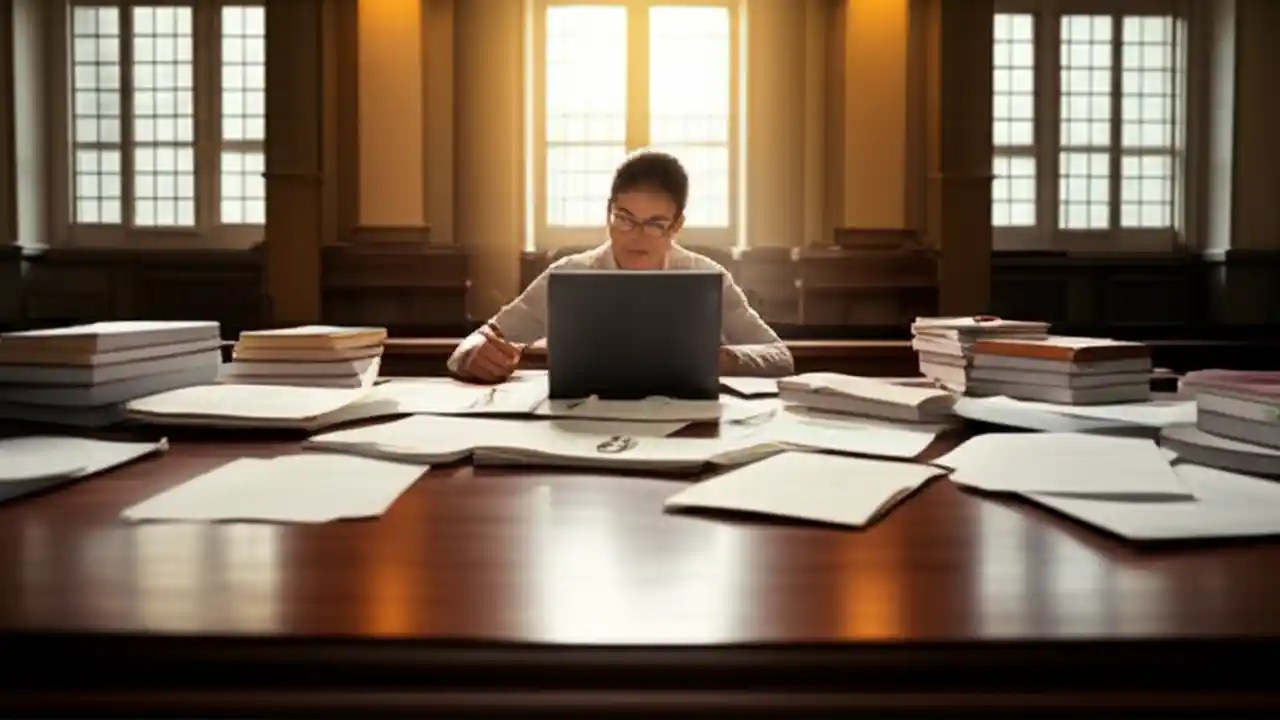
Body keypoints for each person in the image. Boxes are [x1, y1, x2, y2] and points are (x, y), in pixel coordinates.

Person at [447, 149, 795, 383]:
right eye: (625, 218)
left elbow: (780, 356)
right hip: (579, 423)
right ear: (608, 213)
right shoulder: (568, 274)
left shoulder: (708, 277)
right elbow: (477, 341)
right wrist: (472, 356)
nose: (636, 235)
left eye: (655, 223)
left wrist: (726, 360)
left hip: (686, 424)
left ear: (676, 225)